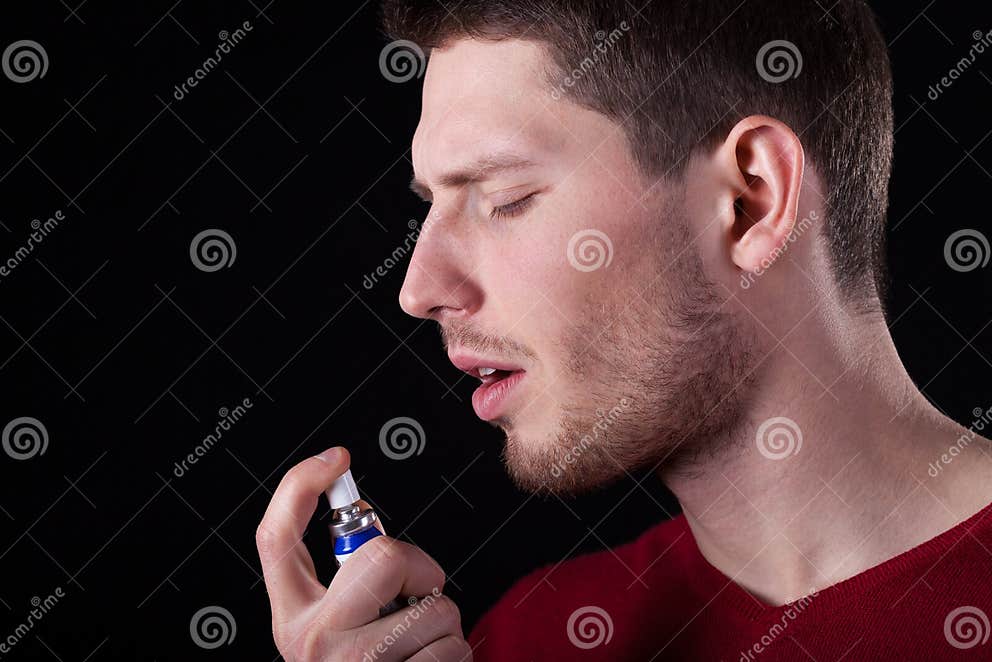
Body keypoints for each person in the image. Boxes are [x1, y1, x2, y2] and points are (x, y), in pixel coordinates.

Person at [256, 1, 992, 659]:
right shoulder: (531, 637)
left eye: (505, 199)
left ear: (748, 199)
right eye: (431, 207)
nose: (418, 291)